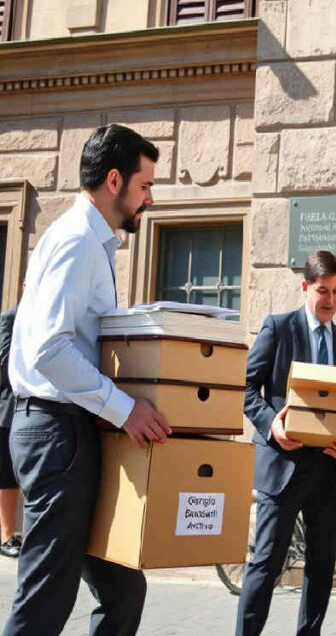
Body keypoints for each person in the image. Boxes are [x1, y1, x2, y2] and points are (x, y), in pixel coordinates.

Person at [3, 124, 171, 635]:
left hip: (68, 431)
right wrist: (126, 408)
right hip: (58, 434)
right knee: (46, 600)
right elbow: (50, 350)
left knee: (122, 590)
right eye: (144, 186)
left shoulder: (87, 241)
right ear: (115, 180)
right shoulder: (77, 241)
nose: (149, 199)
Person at [236, 250, 336, 636]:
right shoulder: (278, 328)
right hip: (282, 466)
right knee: (266, 564)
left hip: (328, 470)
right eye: (324, 291)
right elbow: (244, 388)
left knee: (323, 566)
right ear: (305, 286)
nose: (331, 301)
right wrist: (271, 425)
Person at [0, 306, 21, 558]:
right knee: (6, 474)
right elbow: (4, 360)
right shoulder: (10, 318)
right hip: (7, 409)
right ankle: (6, 536)